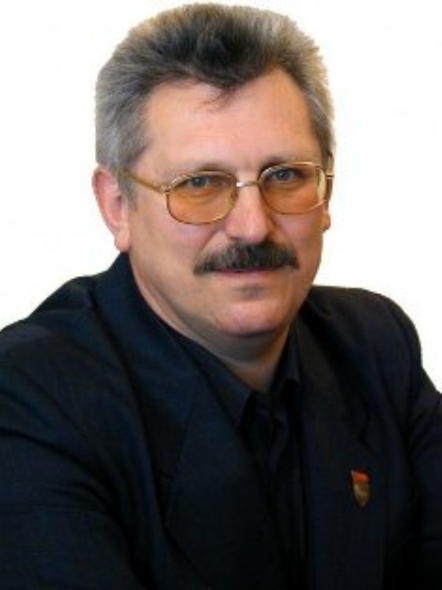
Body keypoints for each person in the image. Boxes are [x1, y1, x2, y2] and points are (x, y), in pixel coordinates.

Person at [0, 3, 441, 589]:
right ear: (118, 206)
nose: (253, 227)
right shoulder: (29, 398)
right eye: (201, 184)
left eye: (285, 175)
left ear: (327, 190)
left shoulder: (377, 345)